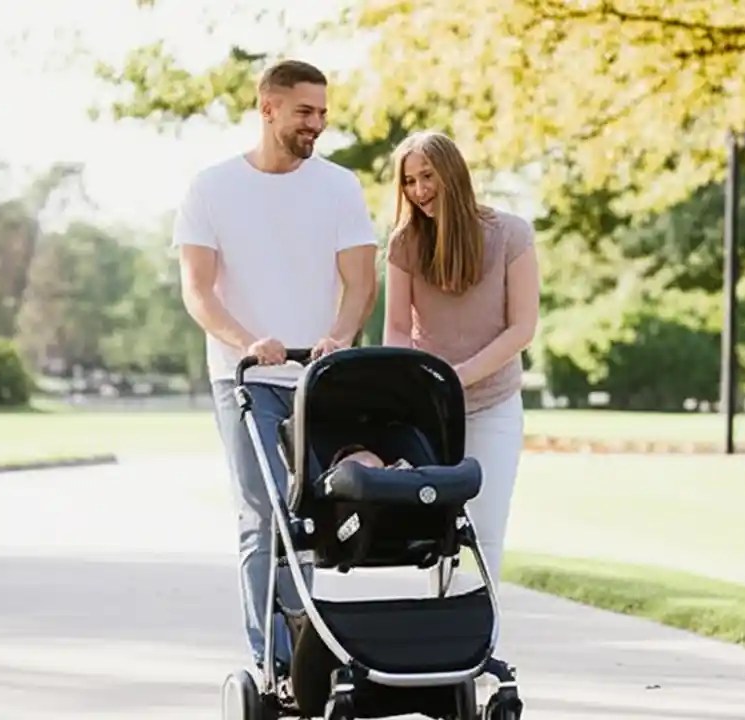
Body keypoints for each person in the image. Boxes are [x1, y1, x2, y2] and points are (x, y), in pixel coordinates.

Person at [172, 59, 378, 678]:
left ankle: (310, 658)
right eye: (304, 112)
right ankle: (273, 662)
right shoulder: (211, 188)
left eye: (322, 113)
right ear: (267, 109)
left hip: (318, 378)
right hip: (245, 378)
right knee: (262, 516)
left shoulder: (339, 187)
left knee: (308, 515)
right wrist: (246, 341)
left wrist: (340, 334)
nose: (317, 124)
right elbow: (198, 290)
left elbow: (361, 279)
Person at [382, 130, 540, 594]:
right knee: (436, 529)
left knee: (485, 529)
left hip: (493, 403)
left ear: (454, 173)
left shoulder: (510, 235)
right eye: (409, 182)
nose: (419, 191)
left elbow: (522, 328)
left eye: (428, 176)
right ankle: (438, 635)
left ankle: (480, 644)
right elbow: (395, 328)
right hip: (429, 411)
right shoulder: (405, 243)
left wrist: (459, 377)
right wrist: (412, 387)